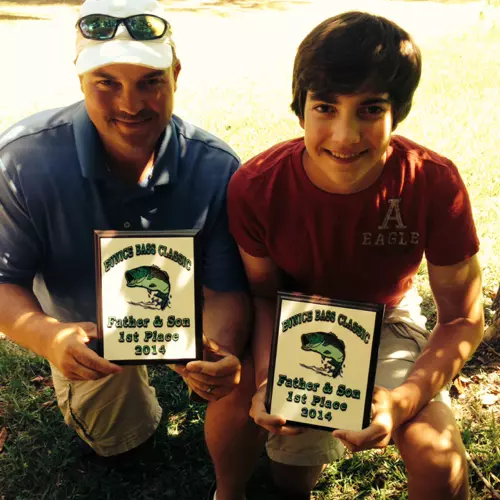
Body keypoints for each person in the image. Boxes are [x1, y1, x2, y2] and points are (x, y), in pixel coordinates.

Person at [207, 11, 484, 500]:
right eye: (326, 107)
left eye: (371, 109)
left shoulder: (433, 182)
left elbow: (463, 318)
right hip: (294, 316)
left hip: (388, 316)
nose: (345, 136)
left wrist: (402, 400)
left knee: (437, 461)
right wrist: (271, 379)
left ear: (398, 111)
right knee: (287, 476)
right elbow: (264, 295)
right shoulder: (256, 186)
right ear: (300, 108)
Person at [0, 0, 251, 460]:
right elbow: (3, 280)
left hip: (185, 318)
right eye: (106, 83)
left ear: (176, 73)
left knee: (231, 371)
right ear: (79, 79)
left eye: (151, 82)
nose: (130, 105)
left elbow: (225, 288)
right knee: (125, 444)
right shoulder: (20, 161)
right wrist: (46, 336)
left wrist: (217, 349)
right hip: (84, 330)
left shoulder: (217, 169)